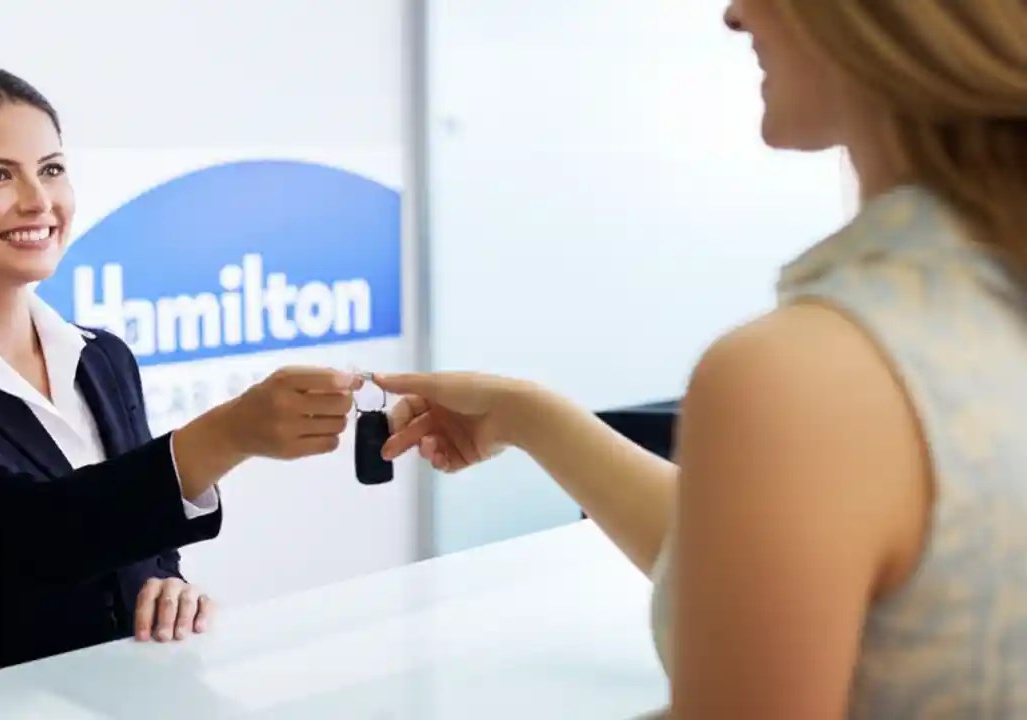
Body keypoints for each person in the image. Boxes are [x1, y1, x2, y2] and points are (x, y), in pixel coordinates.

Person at [374, 1, 1027, 717]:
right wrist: (532, 419)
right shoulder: (977, 310)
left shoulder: (805, 375)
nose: (735, 14)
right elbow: (767, 567)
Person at [0, 66, 356, 693]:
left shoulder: (102, 357)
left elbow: (137, 544)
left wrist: (169, 590)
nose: (38, 201)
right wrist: (227, 434)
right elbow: (30, 536)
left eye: (50, 169)